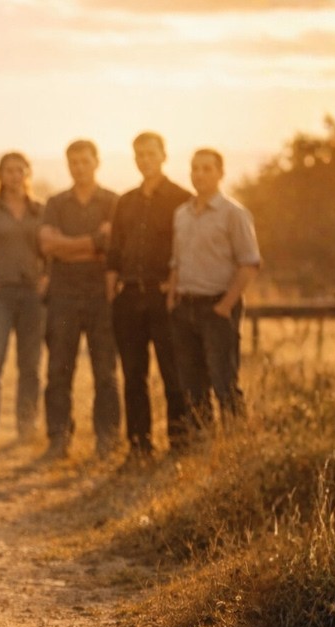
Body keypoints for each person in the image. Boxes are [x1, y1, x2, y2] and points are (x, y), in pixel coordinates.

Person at [106, 131, 192, 464]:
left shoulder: (181, 198)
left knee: (173, 371)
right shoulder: (125, 202)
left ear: (164, 155)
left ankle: (180, 443)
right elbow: (114, 251)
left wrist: (174, 284)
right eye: (139, 154)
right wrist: (112, 294)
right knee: (133, 375)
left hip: (162, 296)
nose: (145, 160)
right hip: (128, 297)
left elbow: (186, 249)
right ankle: (139, 446)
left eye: (151, 153)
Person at [38, 139, 121, 461]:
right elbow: (46, 245)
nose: (79, 167)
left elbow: (112, 245)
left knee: (105, 372)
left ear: (97, 162)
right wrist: (92, 244)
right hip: (62, 297)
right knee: (58, 370)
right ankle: (58, 440)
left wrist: (66, 246)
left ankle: (107, 440)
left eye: (85, 161)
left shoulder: (113, 201)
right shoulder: (56, 202)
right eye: (73, 162)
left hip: (101, 297)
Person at [168, 148, 261, 426]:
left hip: (217, 306)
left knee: (224, 382)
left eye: (207, 169)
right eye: (195, 168)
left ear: (220, 173)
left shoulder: (234, 214)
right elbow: (176, 261)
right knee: (192, 385)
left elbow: (249, 264)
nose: (200, 174)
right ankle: (203, 447)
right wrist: (172, 299)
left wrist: (224, 306)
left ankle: (234, 448)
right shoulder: (181, 214)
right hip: (185, 307)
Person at [0, 152, 44, 444]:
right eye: (8, 170)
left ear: (28, 173)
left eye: (19, 170)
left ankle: (27, 428)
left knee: (30, 364)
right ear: (0, 175)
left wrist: (47, 277)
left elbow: (47, 249)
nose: (14, 176)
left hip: (31, 295)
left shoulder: (40, 210)